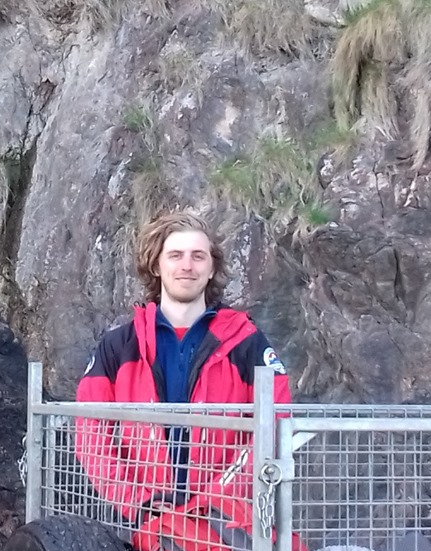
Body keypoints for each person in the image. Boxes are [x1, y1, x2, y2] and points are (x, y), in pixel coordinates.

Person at [75, 210, 292, 515]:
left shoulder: (246, 342)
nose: (187, 266)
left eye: (198, 256)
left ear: (212, 267)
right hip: (143, 523)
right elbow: (92, 435)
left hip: (222, 523)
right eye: (175, 255)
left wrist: (215, 502)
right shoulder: (119, 346)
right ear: (156, 265)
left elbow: (275, 427)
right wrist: (138, 504)